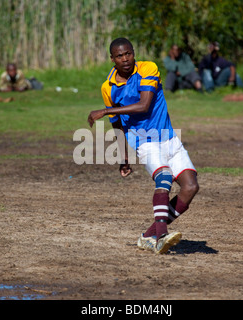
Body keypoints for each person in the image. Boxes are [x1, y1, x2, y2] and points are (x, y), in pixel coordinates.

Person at [87, 38, 199, 254]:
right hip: (144, 142)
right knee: (164, 178)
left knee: (190, 187)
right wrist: (124, 158)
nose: (125, 59)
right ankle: (162, 234)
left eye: (128, 53)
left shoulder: (149, 68)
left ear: (133, 52)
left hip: (168, 138)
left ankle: (150, 235)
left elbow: (144, 105)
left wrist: (106, 110)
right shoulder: (108, 88)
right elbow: (118, 127)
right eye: (119, 56)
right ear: (112, 59)